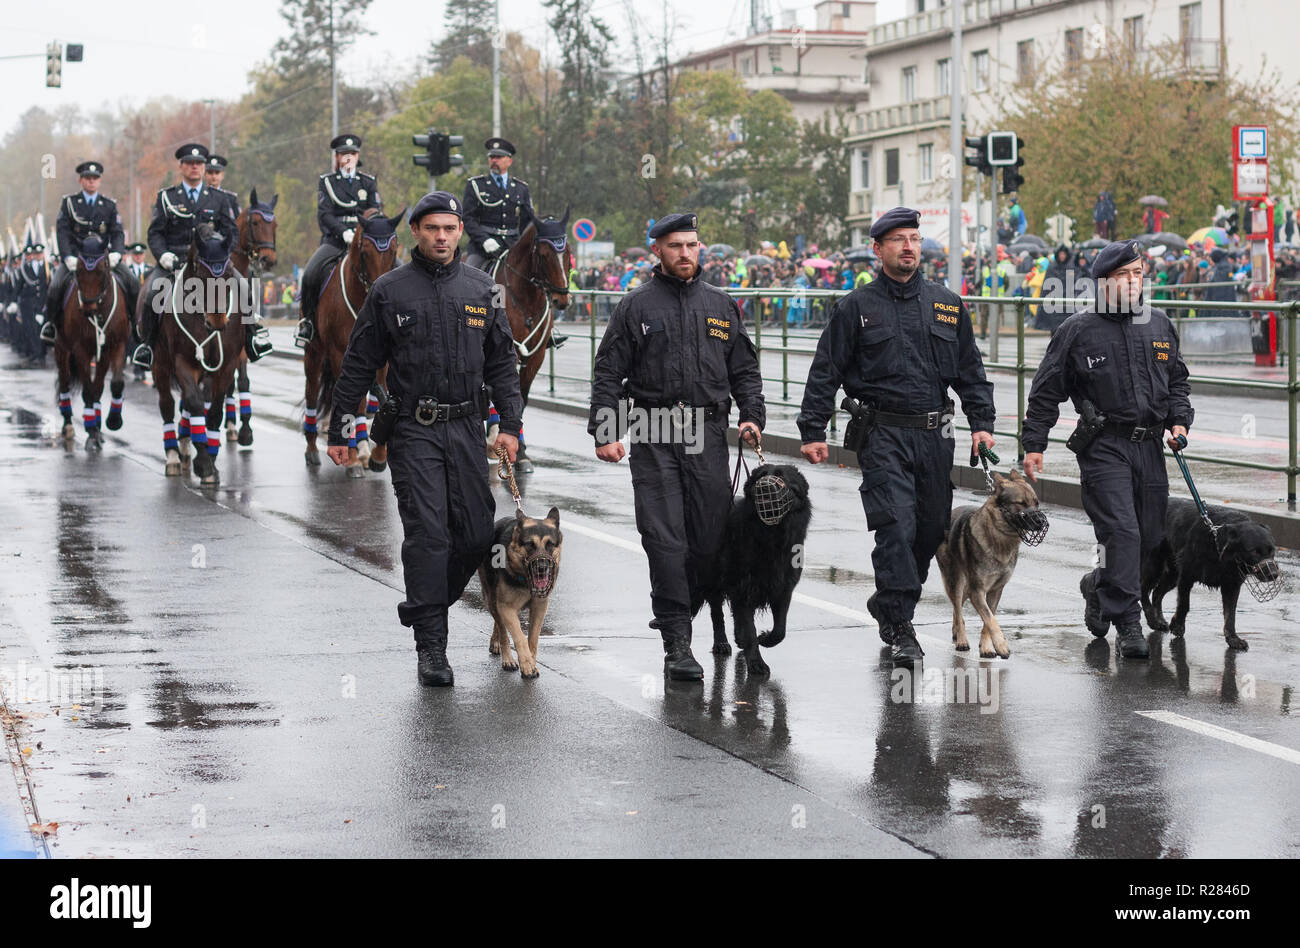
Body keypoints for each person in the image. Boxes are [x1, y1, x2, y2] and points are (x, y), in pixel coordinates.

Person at [326, 191, 523, 687]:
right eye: (432, 228)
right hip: (413, 429)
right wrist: (341, 428)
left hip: (466, 429)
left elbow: (502, 363)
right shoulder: (390, 290)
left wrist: (512, 427)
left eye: (450, 229)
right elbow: (357, 363)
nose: (441, 236)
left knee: (478, 533)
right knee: (429, 536)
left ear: (460, 233)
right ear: (415, 231)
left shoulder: (483, 288)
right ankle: (432, 647)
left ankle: (425, 605)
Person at [797, 206, 997, 666]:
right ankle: (900, 625)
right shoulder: (855, 308)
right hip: (883, 435)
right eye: (898, 240)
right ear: (878, 249)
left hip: (935, 434)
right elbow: (825, 371)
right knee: (895, 527)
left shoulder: (947, 304)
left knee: (929, 531)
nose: (909, 246)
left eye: (914, 238)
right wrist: (813, 429)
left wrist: (982, 424)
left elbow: (971, 371)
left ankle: (890, 601)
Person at [587, 212, 765, 681]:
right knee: (664, 539)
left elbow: (745, 369)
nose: (685, 253)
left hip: (708, 435)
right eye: (674, 246)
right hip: (654, 431)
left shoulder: (722, 305)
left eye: (691, 245)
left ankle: (680, 608)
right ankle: (677, 642)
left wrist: (751, 416)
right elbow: (608, 373)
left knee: (708, 542)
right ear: (657, 252)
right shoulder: (635, 307)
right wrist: (607, 431)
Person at [1021, 239, 1193, 659]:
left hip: (1150, 446)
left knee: (1150, 537)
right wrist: (1034, 444)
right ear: (1102, 282)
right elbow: (1046, 392)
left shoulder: (1159, 325)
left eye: (1138, 274)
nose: (1134, 282)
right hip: (1105, 446)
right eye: (1124, 275)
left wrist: (1179, 421)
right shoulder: (1077, 330)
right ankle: (1128, 623)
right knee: (1121, 532)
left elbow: (1177, 382)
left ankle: (1097, 586)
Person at [132, 143, 240, 368]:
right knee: (153, 295)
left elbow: (232, 232)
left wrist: (221, 252)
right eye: (190, 164)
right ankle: (147, 347)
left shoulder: (219, 198)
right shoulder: (167, 197)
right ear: (181, 167)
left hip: (211, 263)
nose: (195, 168)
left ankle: (252, 337)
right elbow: (155, 233)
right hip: (174, 260)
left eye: (199, 164)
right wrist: (163, 256)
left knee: (245, 288)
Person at [295, 134, 381, 346]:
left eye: (352, 153)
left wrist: (362, 232)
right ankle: (308, 323)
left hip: (364, 240)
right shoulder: (327, 182)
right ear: (337, 157)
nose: (348, 157)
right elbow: (324, 214)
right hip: (335, 241)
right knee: (310, 274)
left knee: (395, 268)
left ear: (358, 156)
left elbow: (375, 211)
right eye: (344, 154)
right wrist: (344, 232)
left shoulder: (368, 182)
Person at [42, 160, 140, 345]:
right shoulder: (70, 203)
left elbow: (117, 232)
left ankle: (136, 325)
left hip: (103, 259)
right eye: (88, 178)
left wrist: (117, 253)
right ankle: (50, 325)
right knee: (55, 287)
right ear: (80, 181)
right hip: (77, 258)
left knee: (133, 282)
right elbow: (62, 232)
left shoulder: (109, 205)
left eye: (95, 178)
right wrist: (67, 256)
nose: (91, 182)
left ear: (99, 181)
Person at [203, 153, 273, 359]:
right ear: (205, 174)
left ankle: (251, 335)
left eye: (217, 173)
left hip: (224, 256)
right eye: (210, 172)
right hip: (201, 256)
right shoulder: (198, 197)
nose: (213, 177)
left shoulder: (230, 199)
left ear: (222, 175)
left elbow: (237, 230)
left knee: (246, 281)